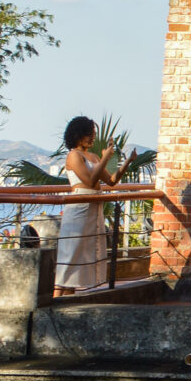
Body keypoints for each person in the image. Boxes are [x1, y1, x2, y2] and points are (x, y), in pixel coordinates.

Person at [54, 117, 133, 295]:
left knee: (86, 254)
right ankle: (56, 298)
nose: (92, 138)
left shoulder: (94, 156)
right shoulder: (74, 155)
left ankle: (69, 298)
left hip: (94, 206)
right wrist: (105, 158)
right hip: (79, 206)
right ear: (78, 135)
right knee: (71, 254)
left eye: (93, 134)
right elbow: (89, 180)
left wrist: (127, 162)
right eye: (88, 134)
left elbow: (111, 181)